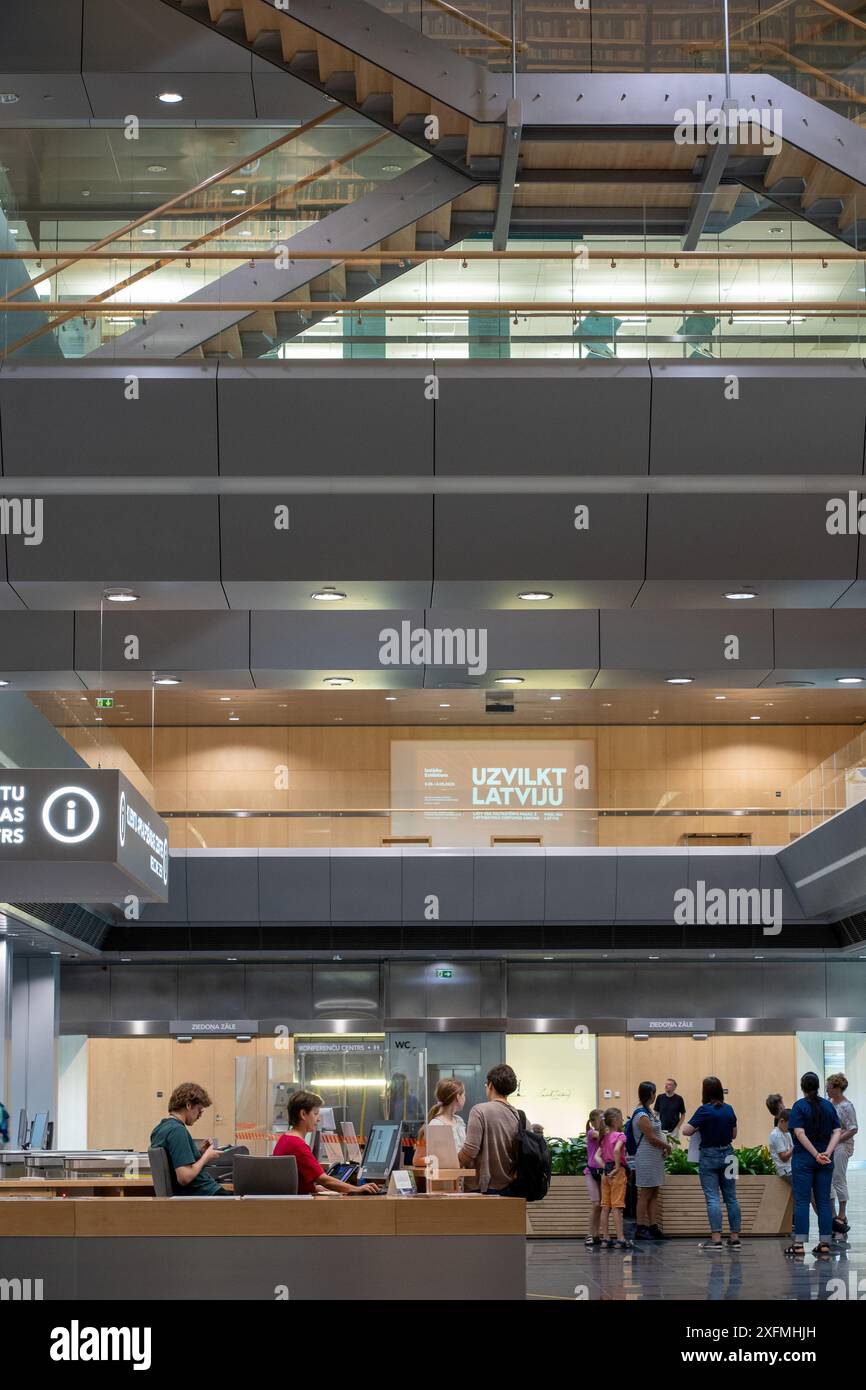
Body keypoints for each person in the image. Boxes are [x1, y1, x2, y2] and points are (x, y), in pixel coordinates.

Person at [273, 1090, 381, 1194]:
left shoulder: (285, 1139)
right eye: (315, 1113)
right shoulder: (297, 1145)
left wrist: (313, 1187)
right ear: (303, 1114)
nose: (318, 1119)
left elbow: (299, 1181)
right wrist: (356, 1189)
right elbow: (323, 1179)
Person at [785, 1071, 841, 1258]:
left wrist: (815, 1154)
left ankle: (799, 1244)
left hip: (804, 1159)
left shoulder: (799, 1106)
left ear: (802, 1087)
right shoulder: (828, 1106)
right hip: (825, 1159)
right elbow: (837, 1131)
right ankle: (825, 1244)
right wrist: (827, 1152)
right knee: (824, 1201)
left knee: (802, 1201)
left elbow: (799, 1134)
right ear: (818, 1087)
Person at [682, 1076, 742, 1250]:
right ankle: (735, 1237)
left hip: (709, 1156)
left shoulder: (704, 1110)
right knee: (731, 1198)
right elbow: (734, 1134)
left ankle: (716, 1239)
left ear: (705, 1092)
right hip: (730, 1156)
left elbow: (687, 1131)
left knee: (713, 1198)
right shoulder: (729, 1109)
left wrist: (701, 1126)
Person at [149, 1082, 229, 1195]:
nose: (200, 1115)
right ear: (189, 1105)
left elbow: (176, 1162)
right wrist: (206, 1157)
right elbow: (184, 1177)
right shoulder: (177, 1131)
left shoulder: (159, 1129)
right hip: (205, 1195)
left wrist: (200, 1153)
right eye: (199, 1109)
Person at [459, 1063, 522, 1195]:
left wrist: (451, 1163)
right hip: (512, 1187)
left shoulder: (479, 1111)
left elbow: (470, 1151)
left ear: (491, 1085)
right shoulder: (520, 1116)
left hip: (485, 1188)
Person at [631, 1081, 671, 1241]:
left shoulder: (648, 1112)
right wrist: (667, 1146)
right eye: (654, 1093)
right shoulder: (641, 1115)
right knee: (646, 1193)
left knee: (654, 1192)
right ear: (650, 1094)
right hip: (646, 1158)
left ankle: (653, 1227)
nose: (656, 1096)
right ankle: (640, 1227)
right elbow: (651, 1138)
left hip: (654, 1158)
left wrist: (662, 1147)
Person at [826, 1072, 858, 1239]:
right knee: (829, 1179)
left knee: (838, 1177)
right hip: (831, 1145)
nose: (827, 1089)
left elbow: (853, 1128)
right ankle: (833, 1216)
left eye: (829, 1087)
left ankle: (842, 1214)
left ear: (838, 1089)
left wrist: (838, 1140)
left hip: (841, 1146)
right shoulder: (830, 1103)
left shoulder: (846, 1106)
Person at [597, 1108, 632, 1250]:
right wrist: (617, 1167)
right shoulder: (620, 1136)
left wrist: (607, 1167)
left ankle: (605, 1238)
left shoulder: (604, 1137)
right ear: (617, 1120)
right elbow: (617, 1150)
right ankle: (620, 1239)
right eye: (622, 1118)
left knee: (605, 1206)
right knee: (617, 1207)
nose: (623, 1121)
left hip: (605, 1173)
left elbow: (597, 1156)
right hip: (617, 1173)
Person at [584, 1107, 604, 1249]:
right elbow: (601, 1136)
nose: (603, 1121)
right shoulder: (592, 1133)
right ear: (593, 1121)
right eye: (601, 1119)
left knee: (601, 1206)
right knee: (596, 1204)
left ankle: (597, 1234)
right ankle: (590, 1234)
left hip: (602, 1171)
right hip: (591, 1173)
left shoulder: (604, 1132)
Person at [768, 1107, 793, 1182]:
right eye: (790, 1124)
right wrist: (795, 1146)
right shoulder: (776, 1135)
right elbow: (784, 1158)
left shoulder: (786, 1132)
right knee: (804, 1188)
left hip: (791, 1168)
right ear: (782, 1121)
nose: (791, 1126)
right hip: (786, 1171)